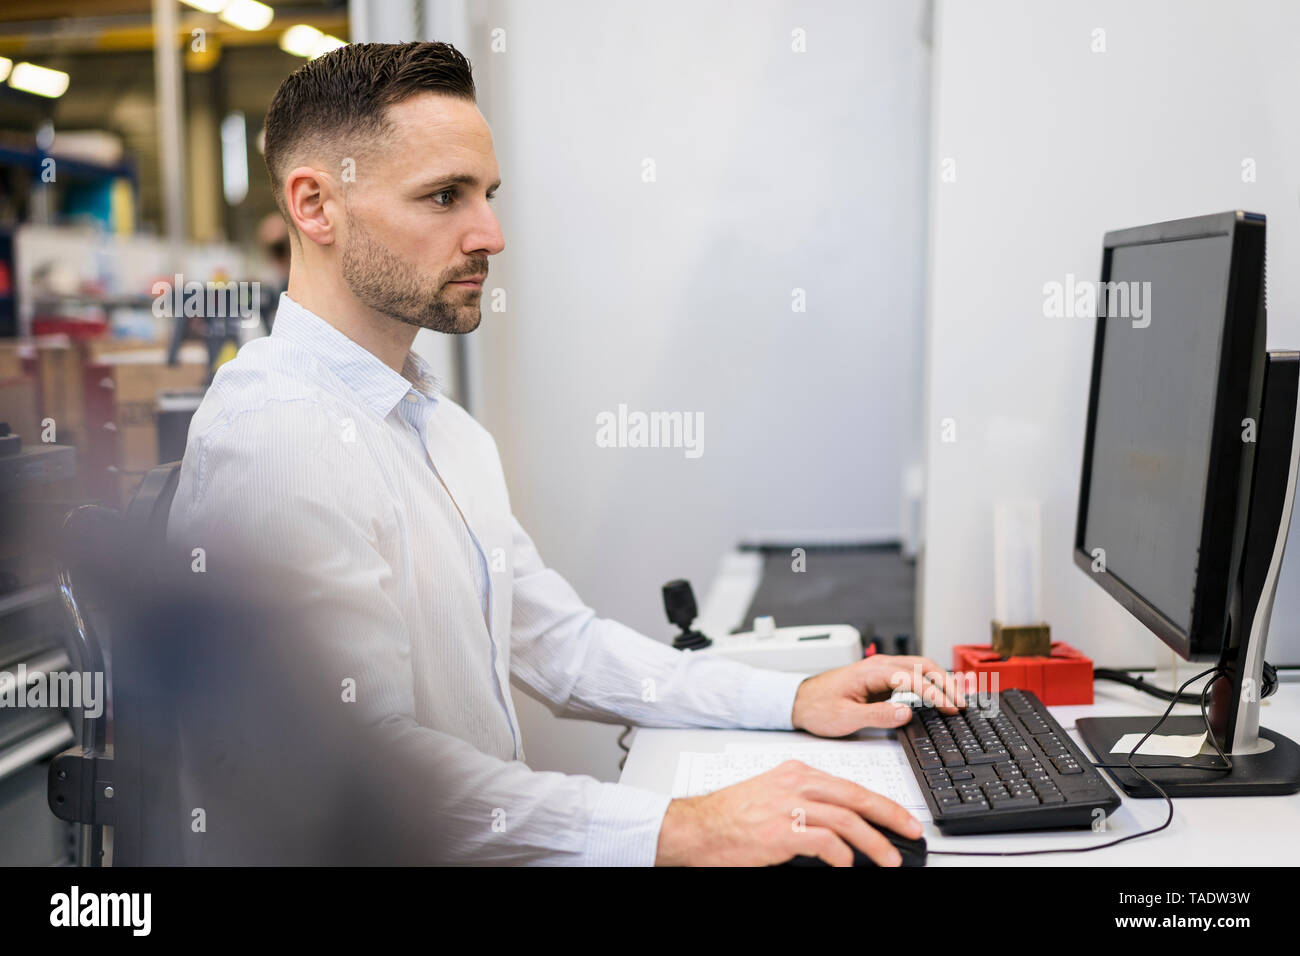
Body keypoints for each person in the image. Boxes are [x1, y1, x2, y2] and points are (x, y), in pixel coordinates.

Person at [166, 40, 964, 866]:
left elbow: (561, 646)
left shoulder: (435, 425)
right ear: (316, 205)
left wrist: (791, 698)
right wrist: (686, 828)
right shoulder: (276, 440)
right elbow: (354, 774)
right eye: (445, 196)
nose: (491, 234)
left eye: (487, 194)